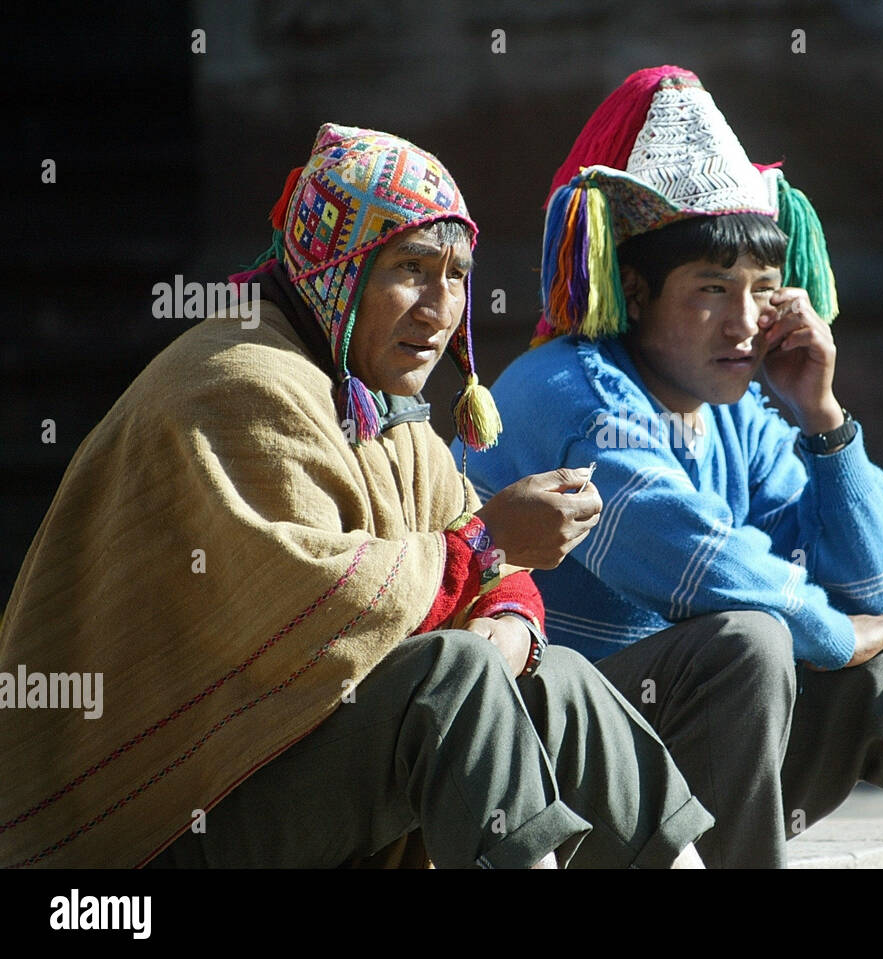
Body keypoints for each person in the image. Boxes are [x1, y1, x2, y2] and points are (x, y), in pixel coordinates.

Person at [458, 67, 883, 868]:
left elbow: (880, 588)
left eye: (761, 289)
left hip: (694, 770)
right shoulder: (568, 391)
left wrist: (824, 421)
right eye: (712, 289)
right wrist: (827, 630)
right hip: (568, 792)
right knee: (750, 640)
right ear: (635, 289)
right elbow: (694, 557)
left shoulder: (736, 414)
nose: (745, 323)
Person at [0, 123, 711, 869]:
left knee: (555, 677)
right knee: (456, 678)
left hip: (285, 787)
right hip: (161, 836)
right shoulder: (236, 385)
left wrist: (506, 625)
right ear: (336, 270)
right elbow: (316, 615)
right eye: (411, 268)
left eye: (458, 274)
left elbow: (481, 570)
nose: (442, 310)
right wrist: (488, 545)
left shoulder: (372, 399)